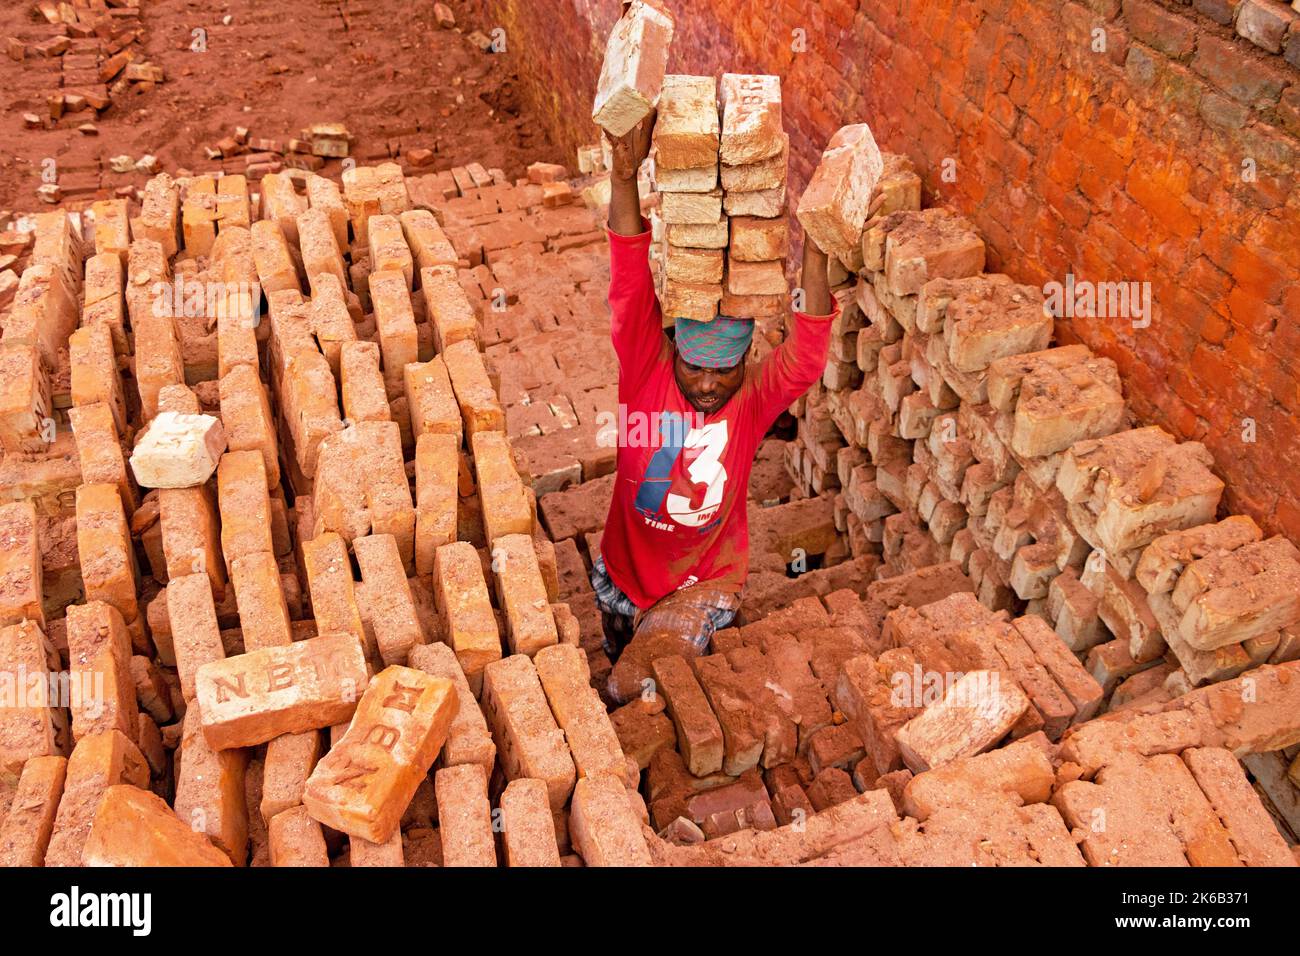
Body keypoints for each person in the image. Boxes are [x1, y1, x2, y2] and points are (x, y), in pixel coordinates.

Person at [591, 108, 840, 703]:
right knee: (615, 666)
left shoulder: (752, 399)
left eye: (723, 371)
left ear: (744, 361)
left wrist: (817, 248)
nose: (706, 385)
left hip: (707, 579)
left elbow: (805, 358)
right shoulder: (645, 368)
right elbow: (628, 286)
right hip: (623, 572)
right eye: (694, 368)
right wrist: (624, 178)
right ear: (672, 349)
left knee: (645, 692)